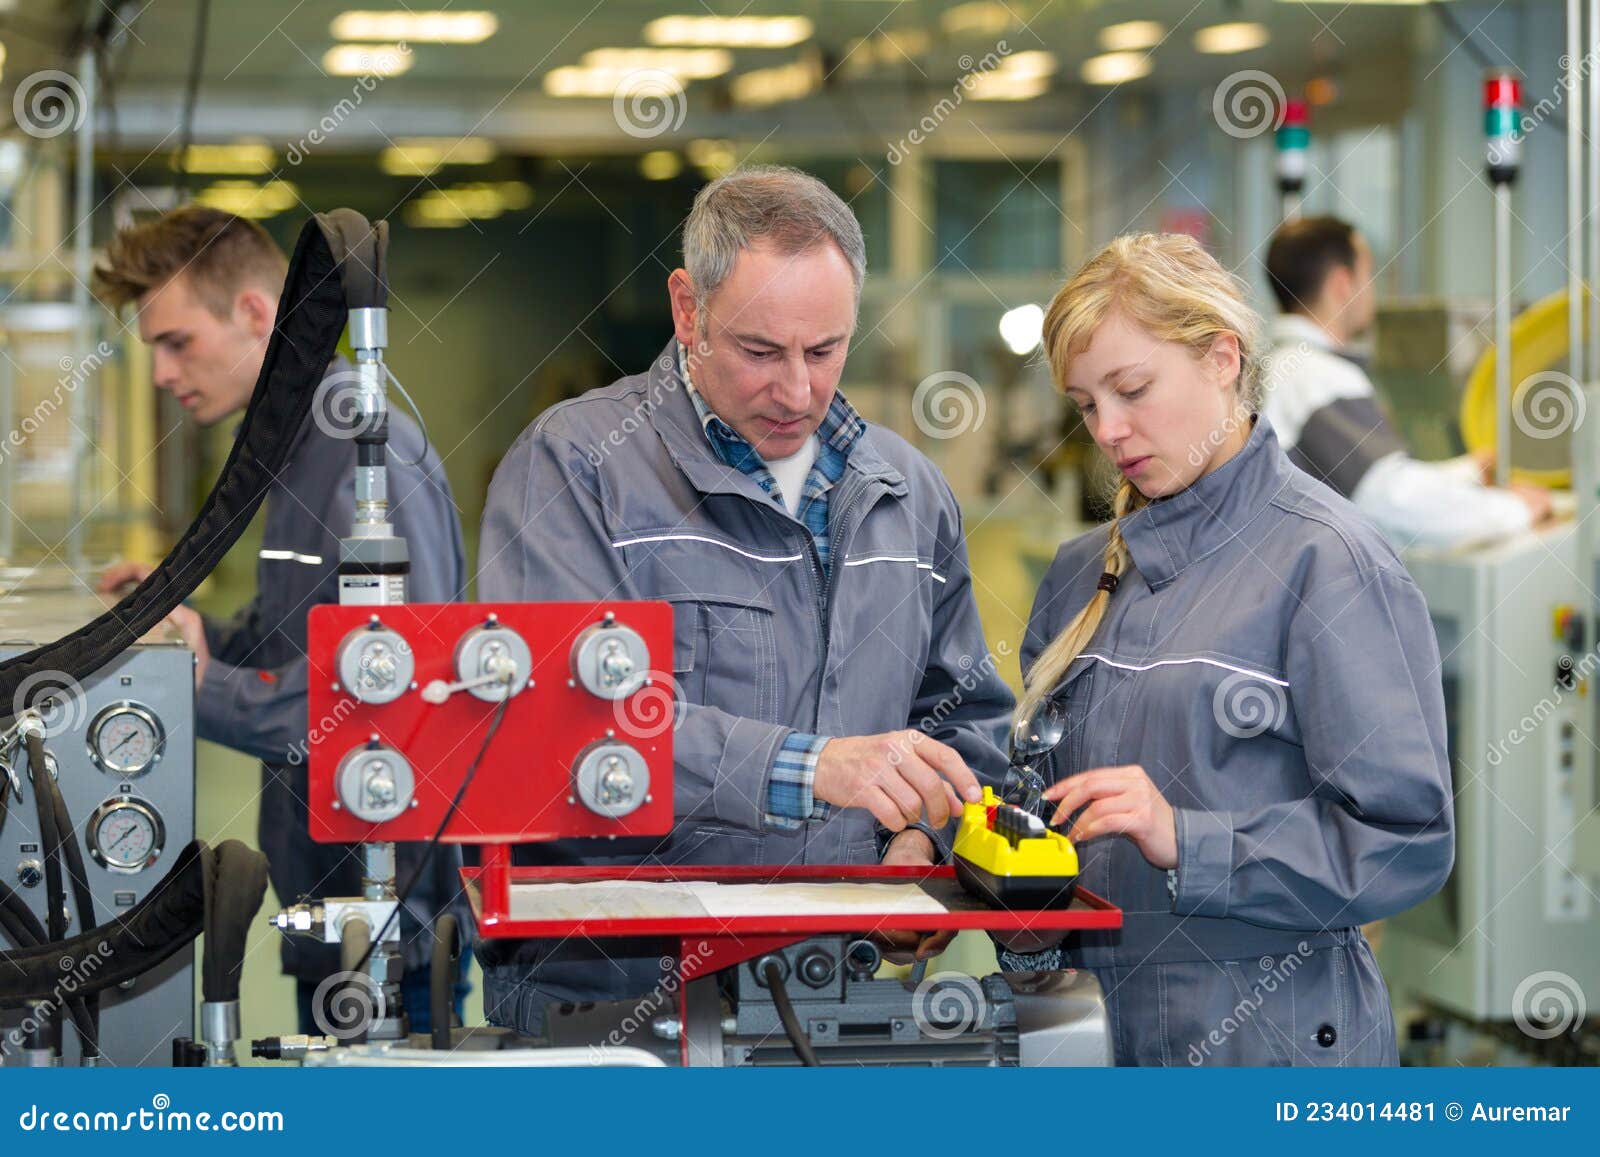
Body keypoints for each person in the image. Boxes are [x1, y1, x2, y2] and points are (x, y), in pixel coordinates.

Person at [475, 165, 1011, 1035]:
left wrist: (925, 848)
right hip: (622, 1001)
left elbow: (964, 723)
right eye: (760, 351)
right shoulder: (576, 469)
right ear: (687, 310)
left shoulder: (907, 493)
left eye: (825, 349)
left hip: (847, 995)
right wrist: (809, 766)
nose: (796, 390)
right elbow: (565, 726)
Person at [1000, 232, 1454, 1066]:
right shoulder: (1080, 579)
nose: (1109, 429)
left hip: (1270, 1046)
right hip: (1093, 1038)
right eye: (1086, 402)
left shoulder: (1330, 564)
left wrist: (1191, 838)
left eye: (1133, 389)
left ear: (1220, 359)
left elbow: (1405, 839)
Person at [91, 207, 472, 1034]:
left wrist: (201, 683)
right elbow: (289, 645)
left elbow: (395, 705)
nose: (159, 372)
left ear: (257, 315)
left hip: (391, 921)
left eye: (176, 341)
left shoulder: (371, 461)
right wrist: (180, 630)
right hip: (326, 890)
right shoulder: (295, 454)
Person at [1260, 215, 1550, 549]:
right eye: (1368, 275)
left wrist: (1464, 473)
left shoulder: (1279, 367)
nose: (1371, 290)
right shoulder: (1317, 377)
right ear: (1342, 284)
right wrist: (1516, 509)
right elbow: (1393, 502)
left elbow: (1357, 481)